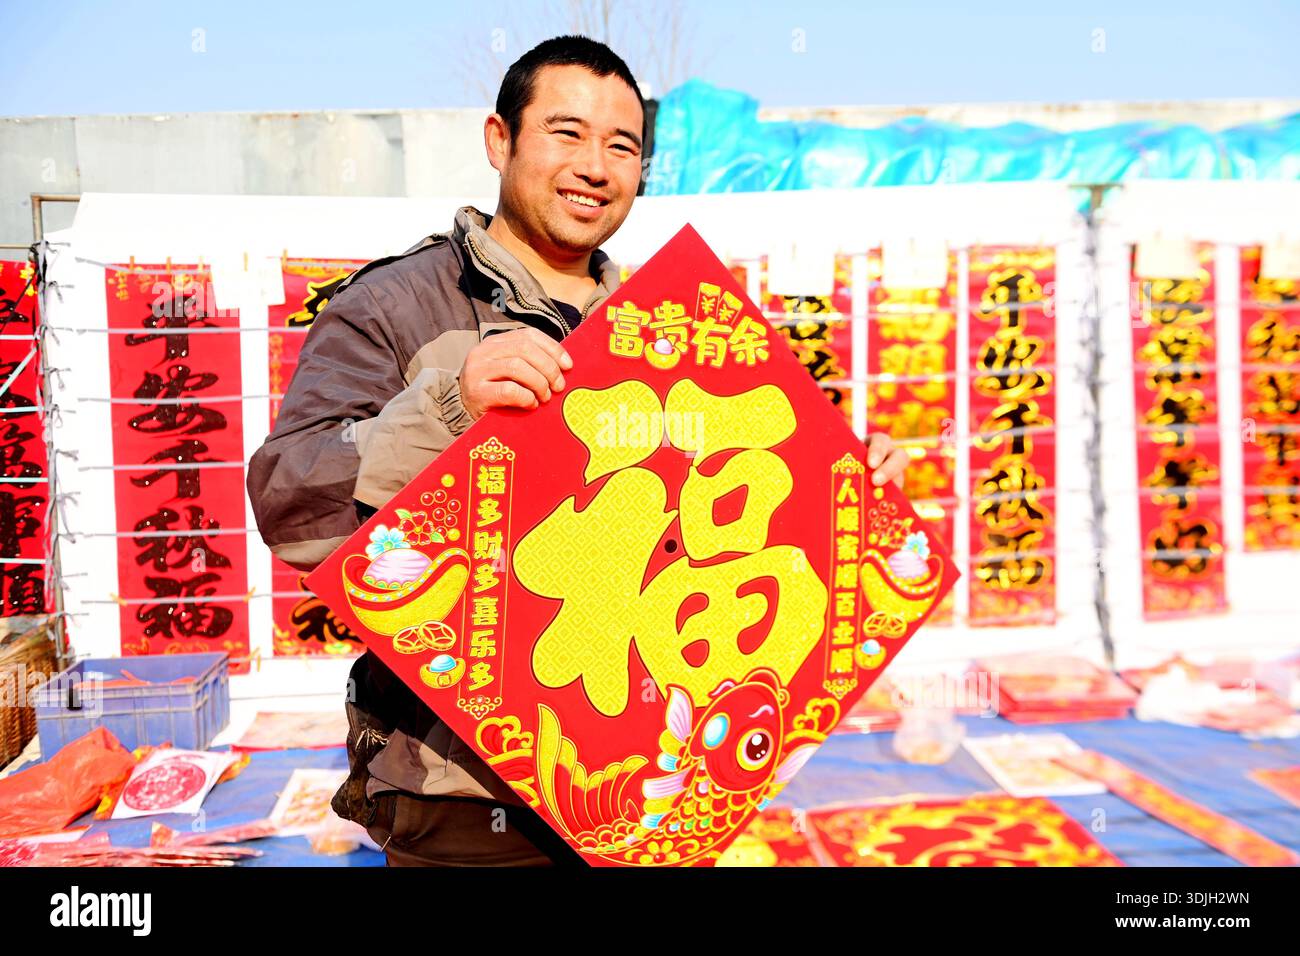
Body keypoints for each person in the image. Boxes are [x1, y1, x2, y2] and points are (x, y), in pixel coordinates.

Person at [247, 34, 909, 867]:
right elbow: (288, 504)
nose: (595, 165)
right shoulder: (394, 306)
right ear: (500, 140)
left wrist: (847, 489)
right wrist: (449, 408)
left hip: (660, 779)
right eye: (566, 132)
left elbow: (738, 514)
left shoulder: (672, 328)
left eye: (621, 145)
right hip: (463, 797)